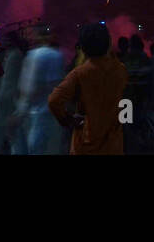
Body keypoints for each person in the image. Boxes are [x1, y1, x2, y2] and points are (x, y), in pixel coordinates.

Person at [48, 22, 128, 155]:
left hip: (86, 144)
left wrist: (68, 120)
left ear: (83, 47)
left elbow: (54, 101)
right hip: (114, 144)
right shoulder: (121, 70)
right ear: (108, 43)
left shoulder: (79, 74)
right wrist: (125, 124)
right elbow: (125, 101)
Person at [17, 28, 66, 154]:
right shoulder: (57, 55)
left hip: (35, 112)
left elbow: (28, 87)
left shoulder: (33, 55)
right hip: (53, 111)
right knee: (53, 147)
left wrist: (21, 109)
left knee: (36, 147)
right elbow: (59, 84)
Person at [0, 31, 25, 154]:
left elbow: (9, 78)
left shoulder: (13, 55)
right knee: (9, 130)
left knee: (4, 129)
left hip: (7, 95)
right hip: (8, 95)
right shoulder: (13, 54)